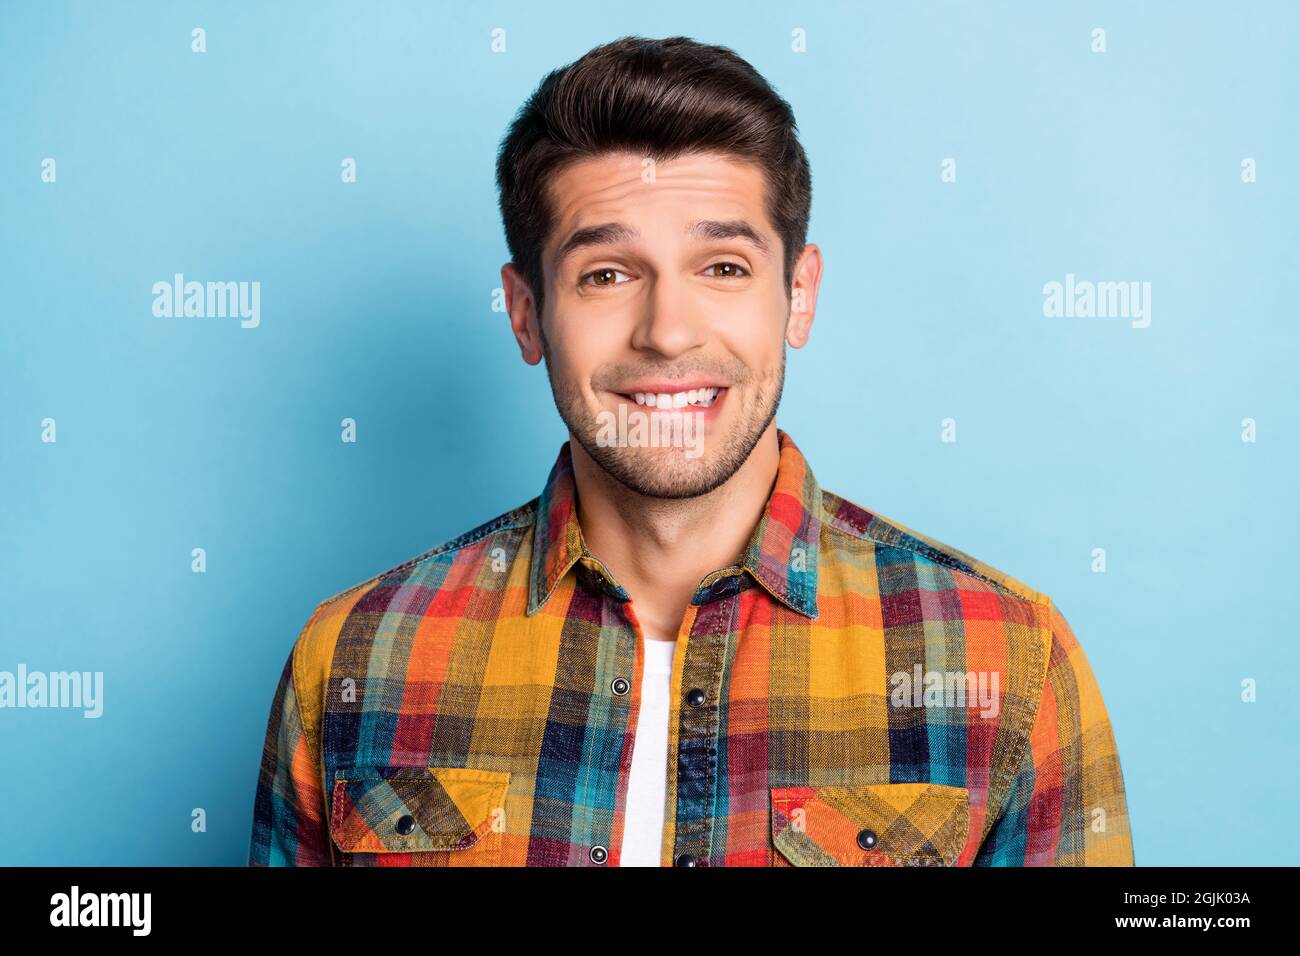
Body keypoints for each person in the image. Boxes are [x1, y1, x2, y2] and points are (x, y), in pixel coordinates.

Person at [249, 34, 1133, 867]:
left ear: (799, 295)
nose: (668, 332)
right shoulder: (354, 659)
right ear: (525, 314)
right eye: (606, 275)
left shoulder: (1006, 659)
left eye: (723, 268)